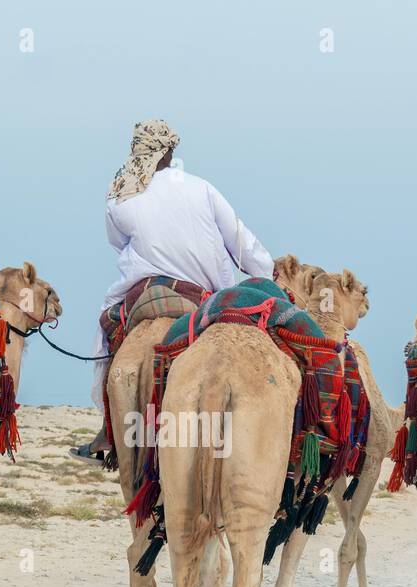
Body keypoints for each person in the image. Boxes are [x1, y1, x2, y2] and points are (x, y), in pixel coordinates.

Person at [71, 119, 275, 461]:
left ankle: (109, 430)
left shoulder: (120, 192)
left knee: (109, 331)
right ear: (171, 151)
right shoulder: (202, 188)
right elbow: (240, 242)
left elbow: (118, 243)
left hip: (143, 288)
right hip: (204, 293)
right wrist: (265, 271)